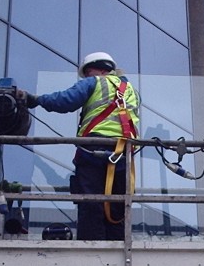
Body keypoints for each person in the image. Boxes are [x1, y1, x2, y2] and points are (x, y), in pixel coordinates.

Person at [23, 52, 140, 240]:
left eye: (88, 72)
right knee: (118, 206)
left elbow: (64, 101)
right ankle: (118, 247)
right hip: (123, 153)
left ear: (100, 69)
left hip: (94, 149)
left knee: (90, 201)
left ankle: (91, 247)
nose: (86, 76)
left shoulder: (95, 82)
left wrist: (36, 100)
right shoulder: (132, 91)